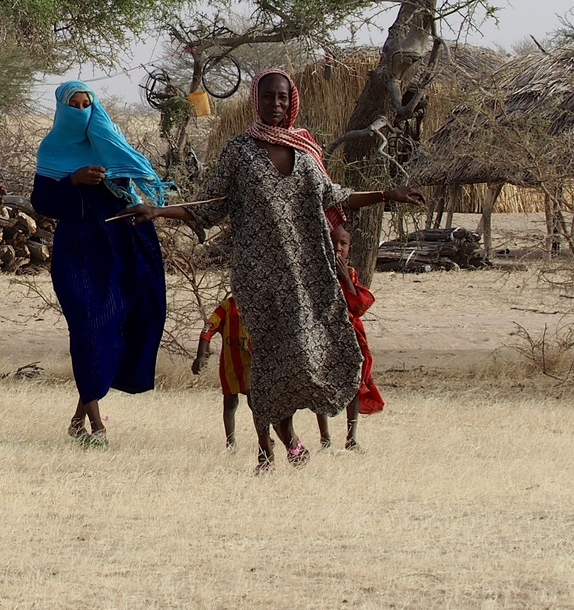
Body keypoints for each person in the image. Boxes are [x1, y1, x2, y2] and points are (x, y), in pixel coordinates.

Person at [125, 70, 423, 473]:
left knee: (301, 358)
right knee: (265, 363)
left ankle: (291, 439)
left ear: (292, 100)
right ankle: (270, 447)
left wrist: (388, 194)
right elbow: (211, 207)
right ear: (256, 100)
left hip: (305, 276)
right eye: (269, 97)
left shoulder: (305, 150)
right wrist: (159, 210)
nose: (276, 104)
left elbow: (337, 198)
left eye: (283, 97)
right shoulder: (239, 151)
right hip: (258, 278)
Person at [31, 80, 170, 449]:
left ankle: (78, 420)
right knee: (89, 328)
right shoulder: (52, 149)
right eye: (74, 106)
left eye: (86, 104)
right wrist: (73, 181)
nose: (81, 111)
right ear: (62, 109)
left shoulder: (110, 140)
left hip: (121, 248)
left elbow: (130, 189)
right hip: (78, 254)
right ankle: (97, 427)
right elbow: (42, 203)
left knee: (117, 325)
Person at [315, 226, 383, 451]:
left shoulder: (351, 273)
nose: (338, 248)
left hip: (350, 334)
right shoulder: (318, 272)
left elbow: (358, 305)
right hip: (324, 333)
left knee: (354, 382)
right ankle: (325, 438)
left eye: (343, 244)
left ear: (349, 248)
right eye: (334, 243)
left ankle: (351, 437)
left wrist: (344, 276)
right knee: (320, 383)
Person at [193, 294, 250, 451]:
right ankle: (230, 442)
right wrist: (200, 356)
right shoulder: (227, 306)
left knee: (255, 401)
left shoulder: (257, 303)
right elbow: (208, 328)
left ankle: (264, 438)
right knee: (230, 403)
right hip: (229, 364)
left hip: (251, 363)